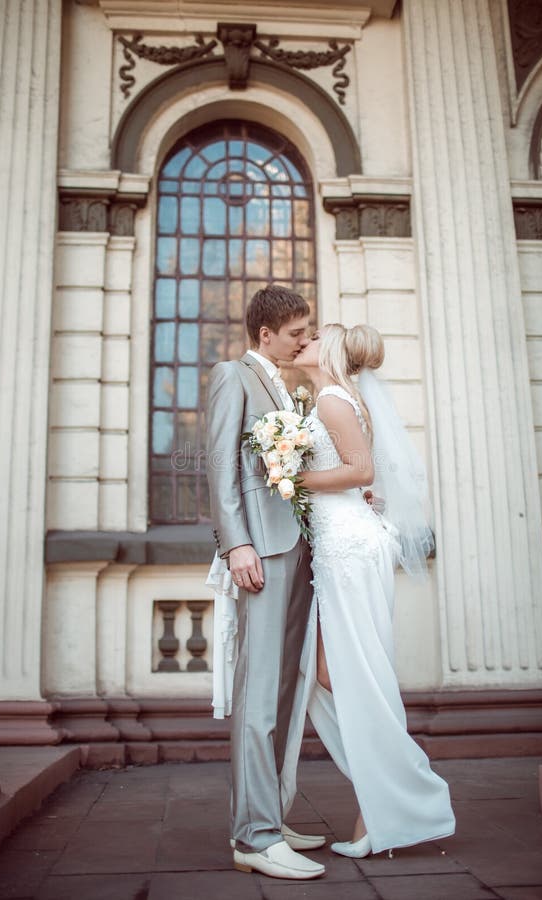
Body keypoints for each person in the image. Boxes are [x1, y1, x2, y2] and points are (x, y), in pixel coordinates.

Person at [287, 322, 456, 857]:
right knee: (323, 671)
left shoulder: (335, 400)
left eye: (312, 338)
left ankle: (400, 802)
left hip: (351, 550)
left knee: (351, 674)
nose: (302, 343)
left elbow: (360, 471)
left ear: (330, 351)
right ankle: (383, 806)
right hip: (343, 544)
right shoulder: (334, 399)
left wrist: (288, 477)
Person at [205, 284, 326, 880]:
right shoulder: (235, 376)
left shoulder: (286, 382)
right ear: (265, 335)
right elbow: (222, 462)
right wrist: (237, 545)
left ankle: (271, 818)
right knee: (257, 692)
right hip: (261, 547)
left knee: (282, 686)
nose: (307, 339)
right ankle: (251, 837)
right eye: (298, 332)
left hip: (299, 545)